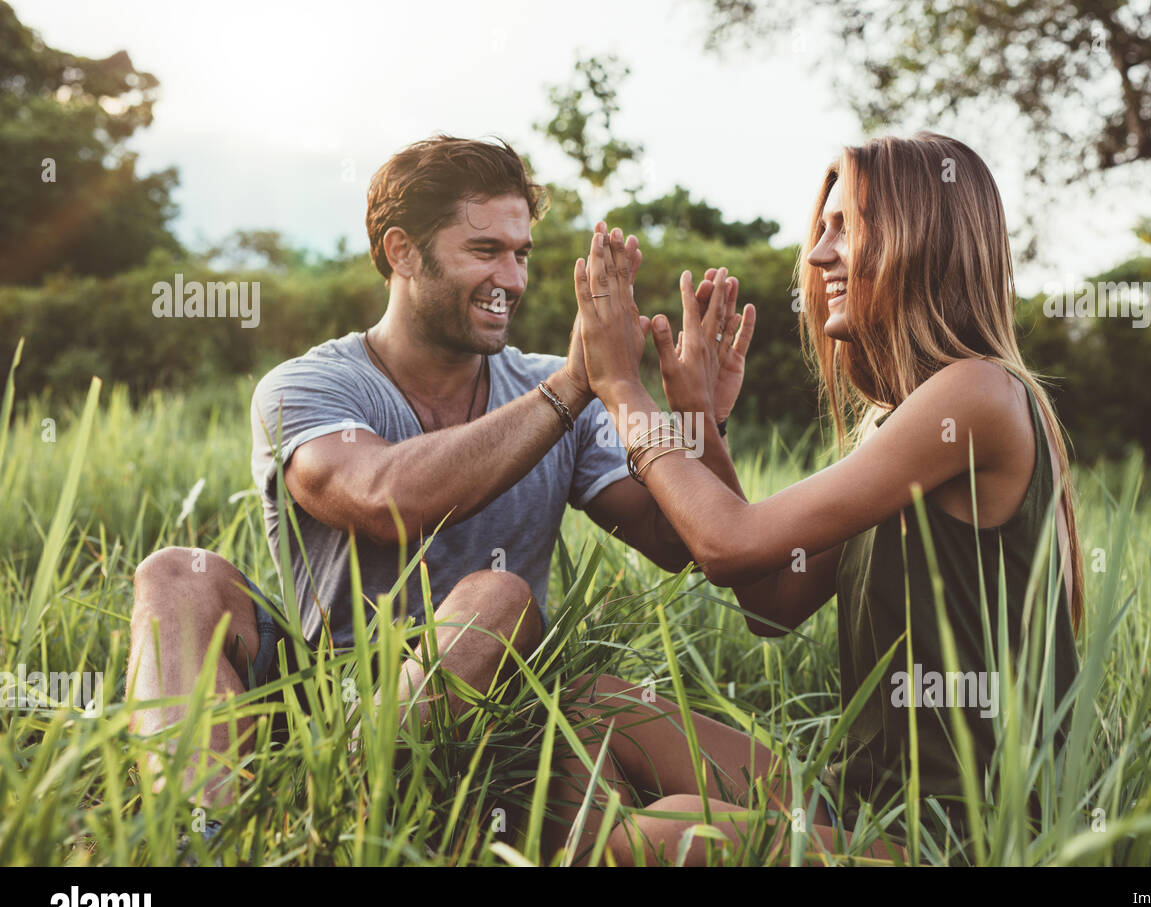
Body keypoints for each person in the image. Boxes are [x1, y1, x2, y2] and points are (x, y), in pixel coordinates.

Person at [124, 134, 752, 823]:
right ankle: (201, 831)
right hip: (324, 696)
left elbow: (678, 540)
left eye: (521, 255)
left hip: (488, 719)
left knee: (496, 598)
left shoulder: (556, 388)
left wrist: (701, 421)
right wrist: (574, 384)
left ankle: (335, 816)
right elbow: (386, 498)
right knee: (174, 574)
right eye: (484, 252)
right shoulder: (308, 385)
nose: (512, 280)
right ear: (401, 251)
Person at [564, 132, 1084, 864]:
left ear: (921, 241)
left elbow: (726, 544)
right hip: (861, 800)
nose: (817, 255)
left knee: (667, 832)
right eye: (823, 230)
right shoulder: (898, 420)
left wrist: (620, 387)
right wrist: (701, 425)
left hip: (967, 841)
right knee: (593, 704)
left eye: (847, 230)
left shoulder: (978, 396)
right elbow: (768, 601)